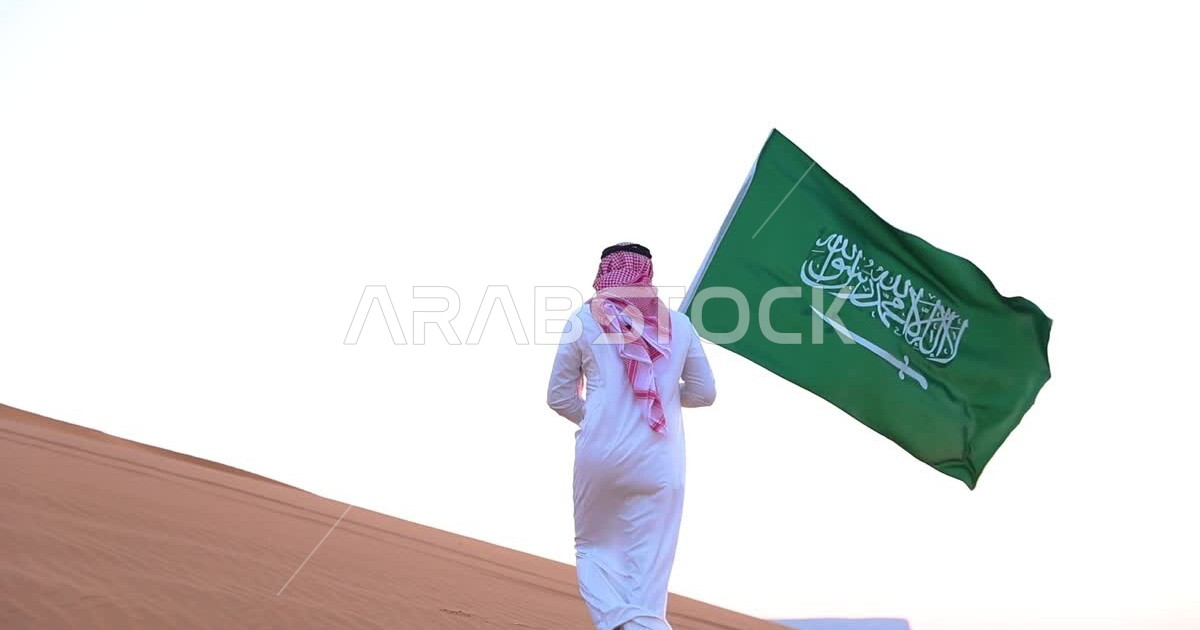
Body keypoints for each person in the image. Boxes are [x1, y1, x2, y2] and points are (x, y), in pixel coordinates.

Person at [546, 242, 716, 630]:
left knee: (592, 550)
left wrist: (598, 417)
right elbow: (704, 393)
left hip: (600, 457)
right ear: (647, 274)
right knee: (649, 570)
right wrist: (661, 399)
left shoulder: (583, 320)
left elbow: (558, 396)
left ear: (604, 272)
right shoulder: (680, 326)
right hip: (661, 462)